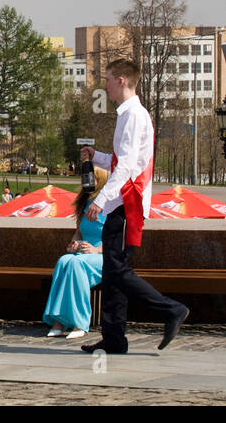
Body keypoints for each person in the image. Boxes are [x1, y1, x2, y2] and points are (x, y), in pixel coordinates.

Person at [79, 59, 189, 354]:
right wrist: (97, 155)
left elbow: (127, 165)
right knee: (114, 271)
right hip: (124, 201)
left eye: (108, 79)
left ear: (122, 80)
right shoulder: (130, 115)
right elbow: (124, 161)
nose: (105, 84)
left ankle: (171, 310)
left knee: (117, 270)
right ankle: (114, 338)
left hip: (126, 202)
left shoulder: (133, 116)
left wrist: (100, 201)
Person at [43, 169, 108, 338]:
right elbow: (79, 232)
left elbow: (118, 241)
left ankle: (79, 323)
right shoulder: (85, 204)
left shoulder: (110, 205)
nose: (86, 180)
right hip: (83, 254)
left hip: (104, 256)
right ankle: (59, 321)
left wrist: (96, 250)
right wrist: (74, 244)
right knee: (64, 261)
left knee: (75, 263)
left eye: (90, 177)